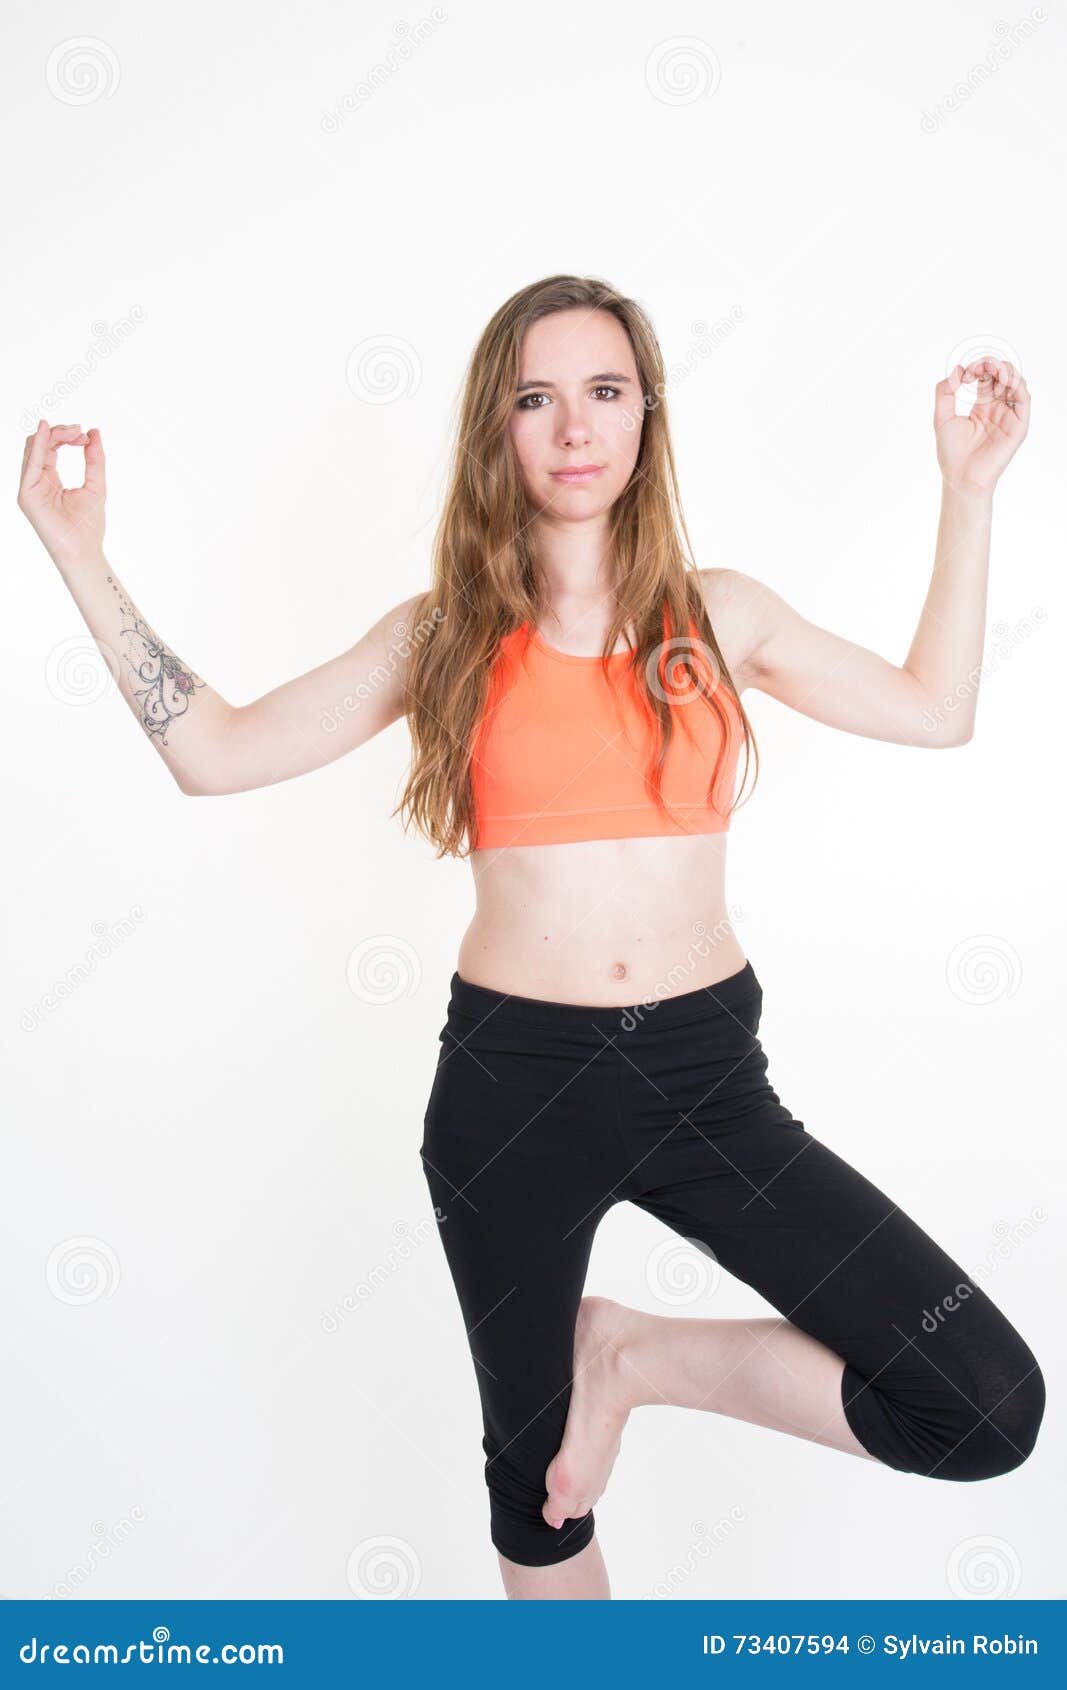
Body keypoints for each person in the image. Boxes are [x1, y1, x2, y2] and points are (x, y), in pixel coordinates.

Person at [18, 274, 1045, 1603]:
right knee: (540, 1506)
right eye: (537, 397)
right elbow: (215, 753)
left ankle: (633, 1359)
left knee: (983, 1399)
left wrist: (969, 491)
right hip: (513, 1098)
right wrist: (76, 548)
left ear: (645, 418)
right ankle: (586, 1414)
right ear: (498, 430)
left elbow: (937, 708)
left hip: (707, 1086)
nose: (574, 426)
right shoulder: (446, 634)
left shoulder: (724, 615)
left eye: (605, 390)